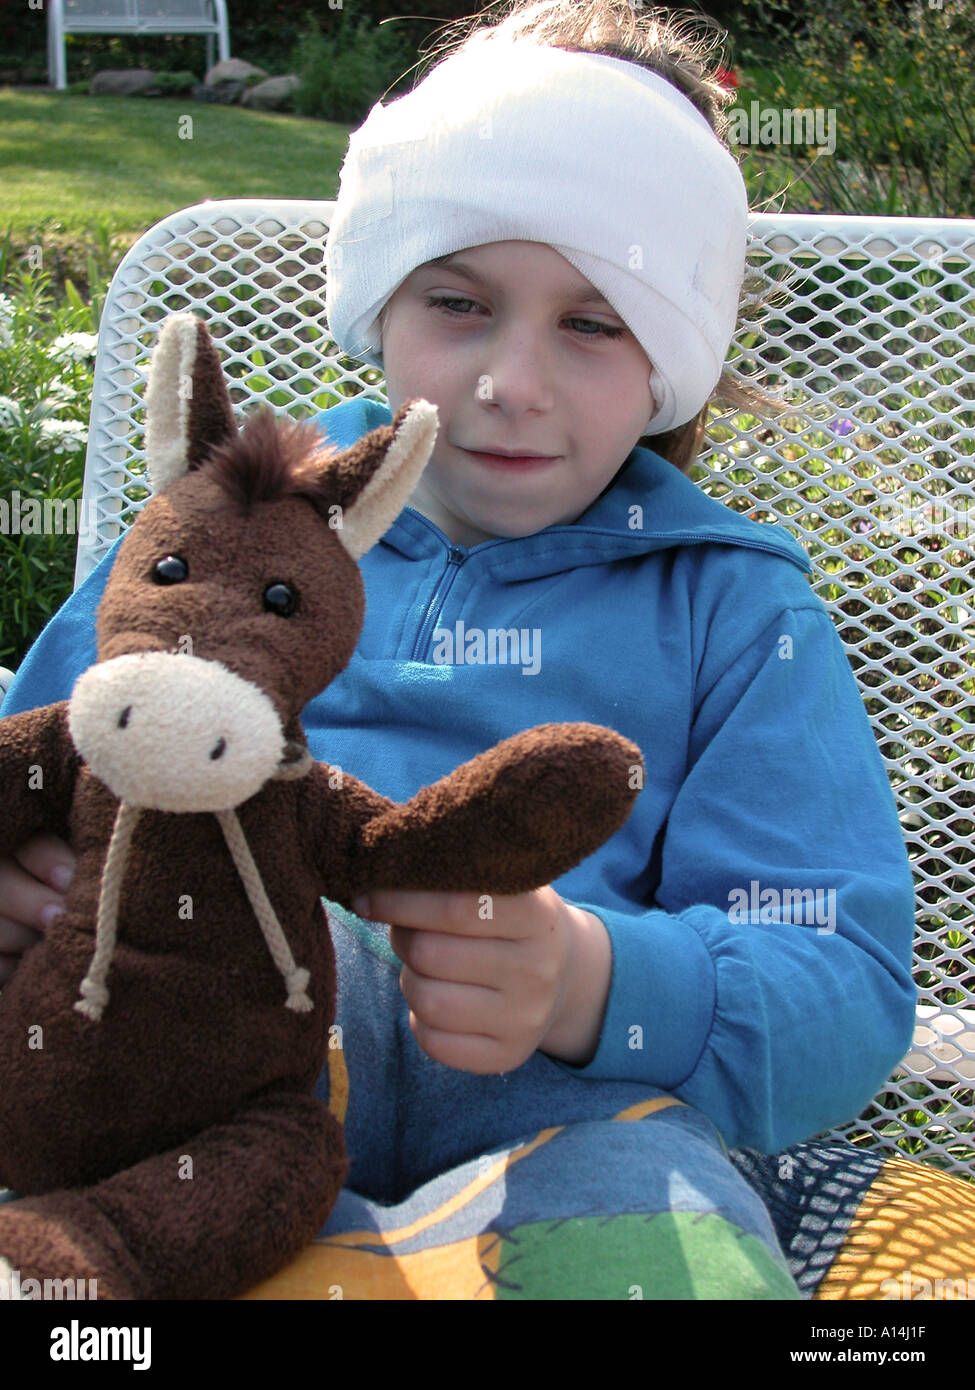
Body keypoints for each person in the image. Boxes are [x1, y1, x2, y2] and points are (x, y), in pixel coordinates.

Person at [0, 0, 916, 1299]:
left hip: (556, 1123)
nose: (511, 380)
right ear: (379, 303)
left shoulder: (732, 606)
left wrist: (594, 980)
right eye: (459, 300)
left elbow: (846, 971)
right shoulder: (230, 517)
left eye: (592, 323)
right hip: (182, 1082)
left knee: (669, 1246)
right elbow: (46, 755)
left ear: (669, 358)